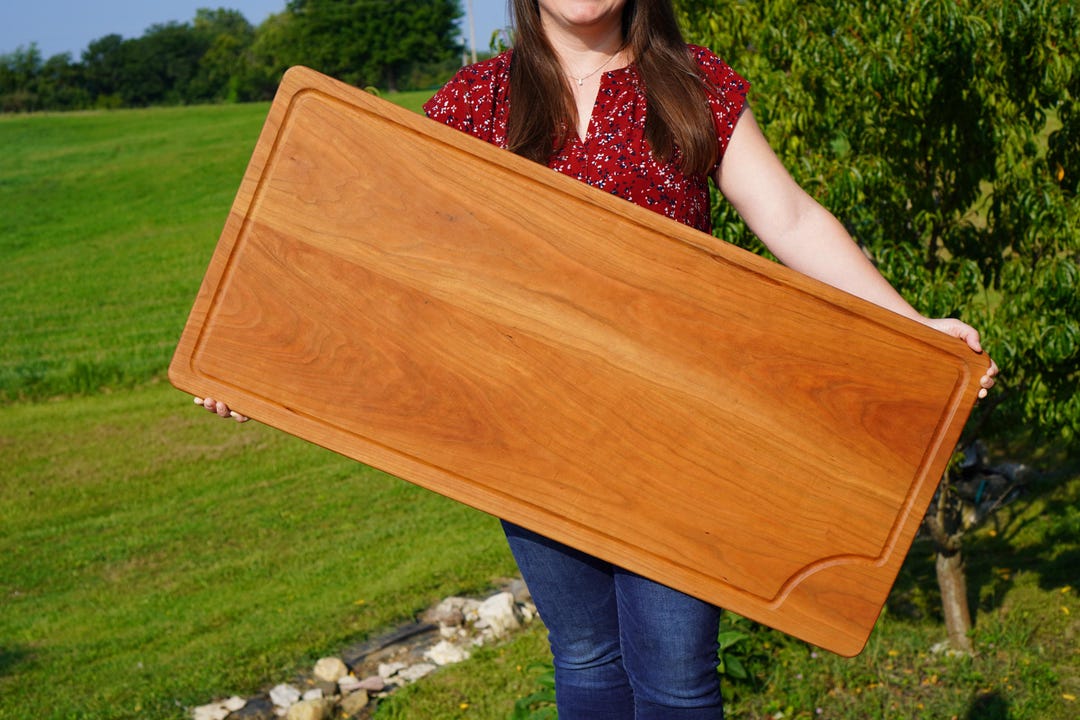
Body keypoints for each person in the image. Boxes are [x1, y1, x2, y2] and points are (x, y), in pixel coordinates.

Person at [198, 0, 999, 716]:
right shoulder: (477, 103)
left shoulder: (694, 87)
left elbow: (790, 218)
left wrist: (912, 325)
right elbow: (384, 255)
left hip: (680, 441)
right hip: (530, 436)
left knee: (678, 678)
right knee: (584, 661)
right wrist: (251, 362)